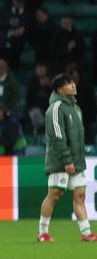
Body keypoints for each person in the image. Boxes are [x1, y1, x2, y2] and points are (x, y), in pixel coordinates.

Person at [38, 74, 96, 242]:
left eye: (73, 82)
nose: (73, 85)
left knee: (80, 195)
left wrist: (77, 160)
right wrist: (67, 160)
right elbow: (57, 137)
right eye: (69, 84)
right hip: (60, 161)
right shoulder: (55, 108)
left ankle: (86, 233)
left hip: (77, 161)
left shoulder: (76, 109)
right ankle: (43, 232)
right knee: (54, 194)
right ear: (60, 89)